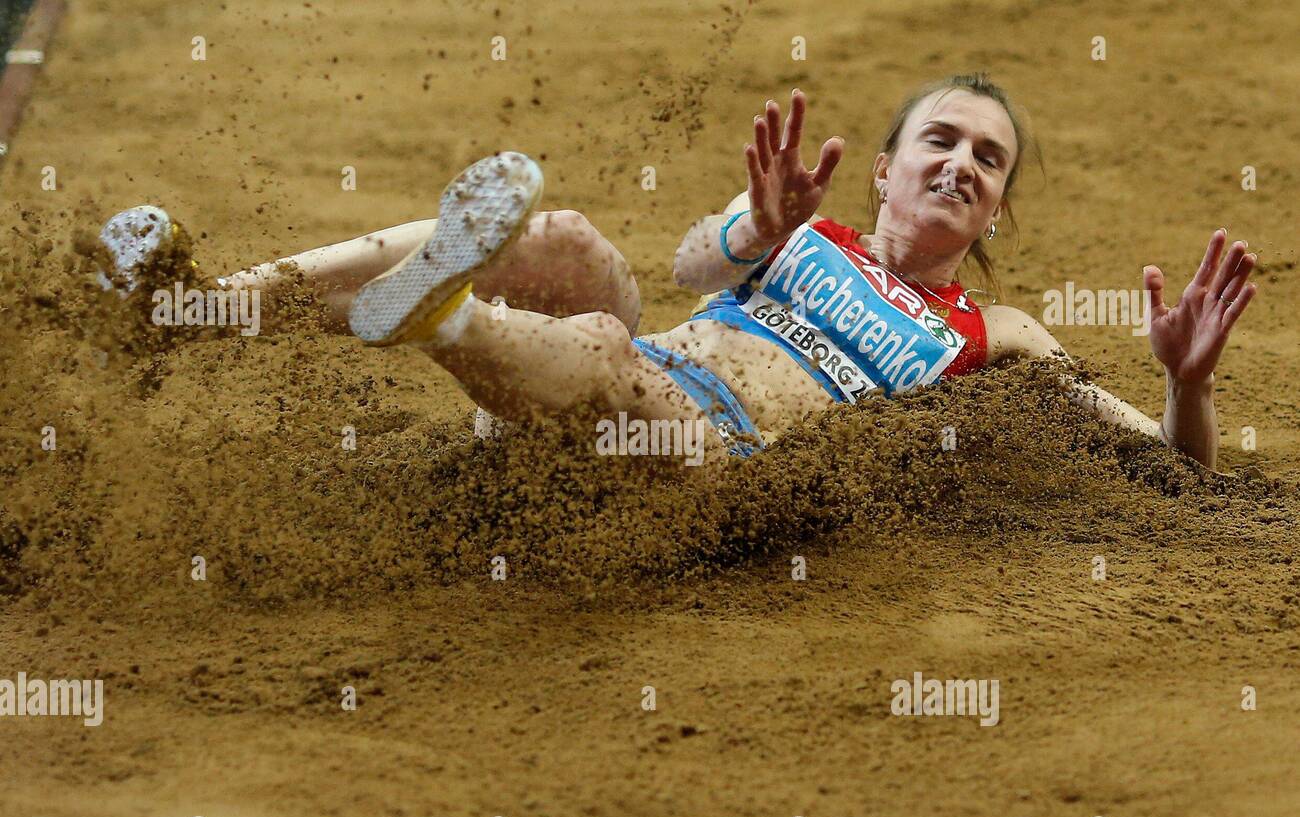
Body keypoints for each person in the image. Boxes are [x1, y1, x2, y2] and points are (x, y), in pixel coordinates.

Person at [100, 74, 1257, 470]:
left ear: (996, 201)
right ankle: (196, 303)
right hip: (640, 369)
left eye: (988, 159)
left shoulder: (998, 333)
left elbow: (1167, 470)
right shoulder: (806, 231)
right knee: (565, 244)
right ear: (889, 173)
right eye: (941, 143)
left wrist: (1187, 384)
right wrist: (759, 228)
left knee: (601, 351)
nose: (962, 164)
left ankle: (440, 316)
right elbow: (688, 261)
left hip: (705, 457)